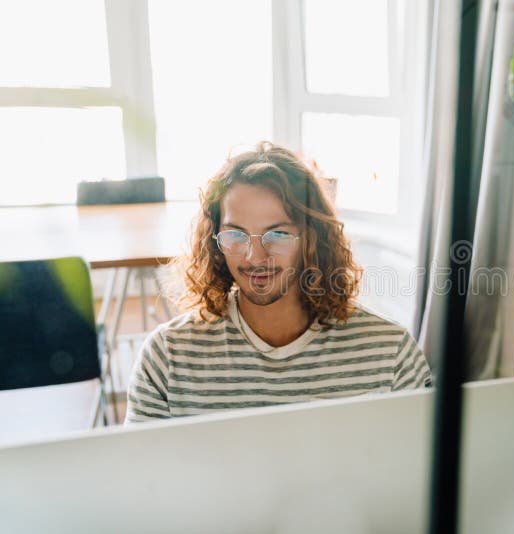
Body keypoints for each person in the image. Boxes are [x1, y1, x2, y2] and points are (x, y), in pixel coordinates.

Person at [125, 142, 431, 422]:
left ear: (313, 238)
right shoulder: (167, 359)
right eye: (235, 234)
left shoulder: (391, 355)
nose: (255, 256)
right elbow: (142, 478)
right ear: (215, 240)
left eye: (279, 234)